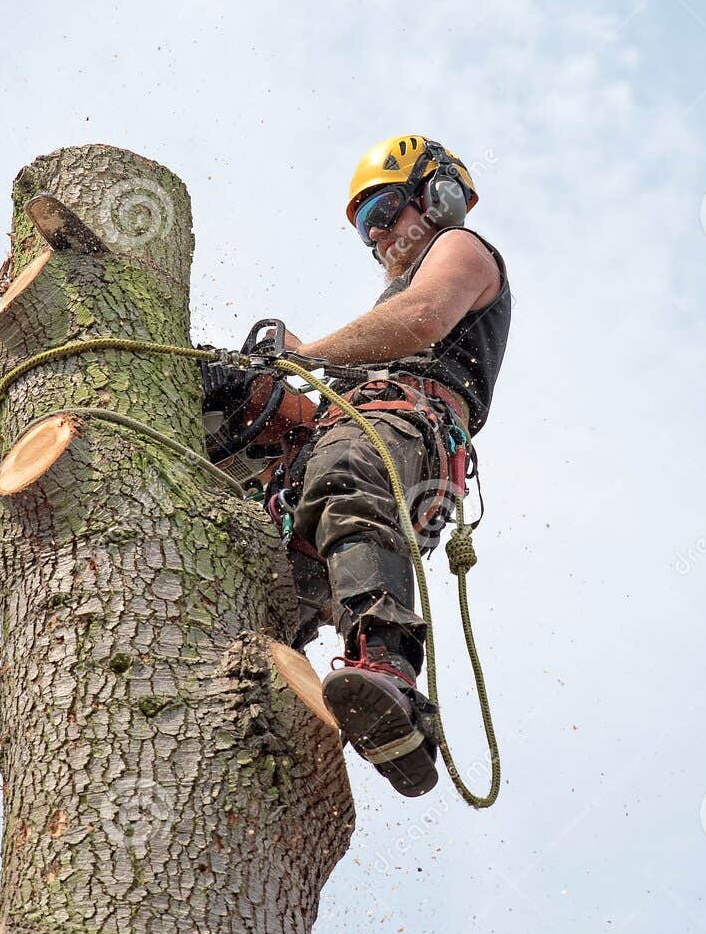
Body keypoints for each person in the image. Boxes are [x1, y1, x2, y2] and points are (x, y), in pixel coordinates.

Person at [204, 135, 510, 797]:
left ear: (439, 195)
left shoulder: (460, 251)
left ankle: (388, 673)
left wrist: (309, 354)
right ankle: (252, 719)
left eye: (386, 208)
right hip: (338, 447)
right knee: (256, 578)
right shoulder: (375, 322)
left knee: (346, 474)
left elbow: (423, 317)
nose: (377, 234)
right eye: (365, 225)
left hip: (400, 435)